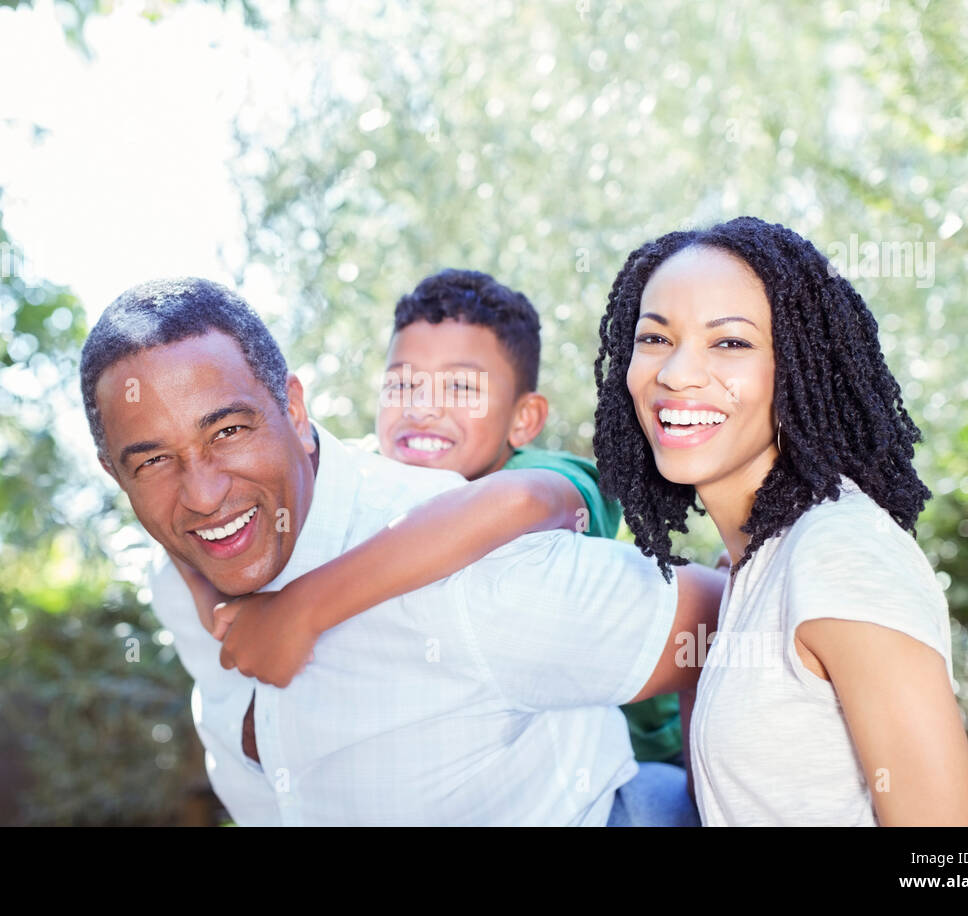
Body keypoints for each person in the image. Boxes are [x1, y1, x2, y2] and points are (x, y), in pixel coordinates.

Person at [78, 277, 725, 825]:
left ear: (294, 411)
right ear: (117, 475)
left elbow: (728, 615)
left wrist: (716, 791)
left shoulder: (474, 564)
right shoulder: (178, 574)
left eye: (228, 430)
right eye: (155, 460)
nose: (202, 493)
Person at [590, 216, 968, 825]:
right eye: (655, 338)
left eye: (730, 343)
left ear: (803, 367)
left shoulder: (840, 550)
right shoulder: (755, 566)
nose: (675, 374)